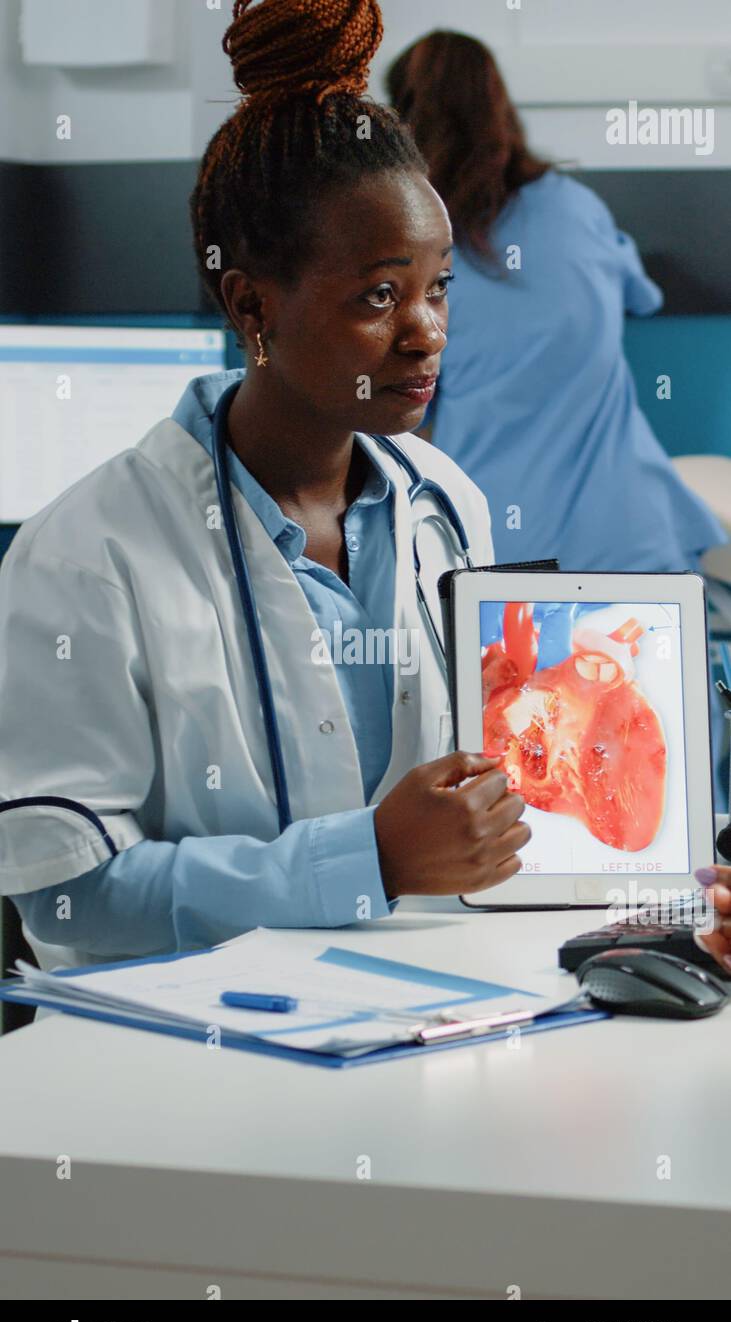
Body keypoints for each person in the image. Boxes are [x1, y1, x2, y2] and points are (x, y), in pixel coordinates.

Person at [0, 0, 530, 972]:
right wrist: (362, 859)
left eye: (437, 286)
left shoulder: (444, 504)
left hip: (424, 1020)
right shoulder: (87, 556)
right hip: (173, 1082)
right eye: (378, 293)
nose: (425, 331)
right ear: (251, 304)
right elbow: (67, 900)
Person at [386, 31, 727, 575]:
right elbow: (644, 295)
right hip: (630, 541)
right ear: (501, 110)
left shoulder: (421, 255)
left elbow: (409, 416)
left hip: (497, 552)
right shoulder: (577, 208)